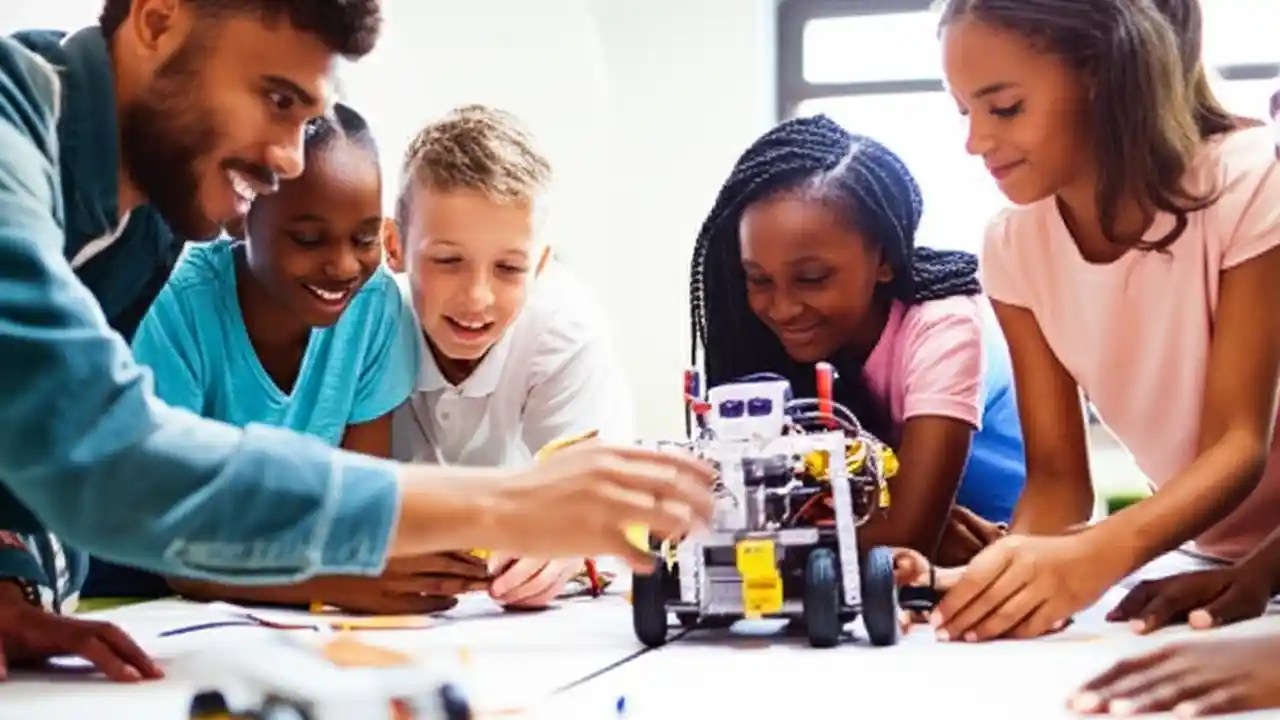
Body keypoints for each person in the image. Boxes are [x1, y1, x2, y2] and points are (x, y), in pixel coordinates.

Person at [0, 0, 714, 681]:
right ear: (159, 20)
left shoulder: (148, 218)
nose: (288, 158)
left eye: (306, 117)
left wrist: (13, 581)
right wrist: (506, 504)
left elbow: (27, 433)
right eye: (277, 100)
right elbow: (114, 456)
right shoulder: (12, 140)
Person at [925, 0, 1279, 658]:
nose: (975, 141)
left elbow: (1237, 442)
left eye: (1003, 108)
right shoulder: (1013, 245)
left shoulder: (1250, 178)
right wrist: (1005, 576)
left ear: (1103, 75)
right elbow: (1059, 479)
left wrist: (1096, 557)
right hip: (1211, 559)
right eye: (964, 112)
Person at [103, 102, 492, 615]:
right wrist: (331, 581)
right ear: (239, 218)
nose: (343, 265)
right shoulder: (176, 304)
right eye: (308, 239)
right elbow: (178, 547)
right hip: (129, 577)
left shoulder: (375, 309)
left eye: (364, 237)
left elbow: (356, 505)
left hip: (269, 590)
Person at [689, 113, 1026, 564]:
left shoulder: (944, 325)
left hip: (996, 564)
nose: (782, 307)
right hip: (882, 579)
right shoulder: (794, 343)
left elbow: (905, 537)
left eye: (812, 278)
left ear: (884, 257)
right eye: (758, 279)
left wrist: (748, 532)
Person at [385, 105, 636, 609]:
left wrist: (566, 542)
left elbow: (593, 507)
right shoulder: (367, 324)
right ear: (394, 246)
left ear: (540, 264)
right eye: (448, 261)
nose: (477, 297)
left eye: (508, 268)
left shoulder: (566, 331)